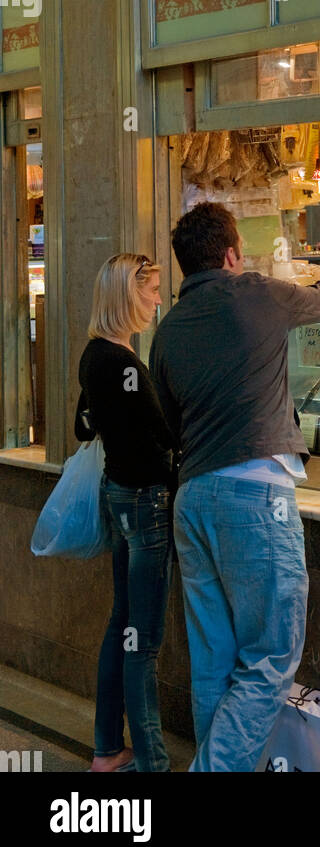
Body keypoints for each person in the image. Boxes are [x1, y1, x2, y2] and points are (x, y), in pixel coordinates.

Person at [148, 202, 320, 773]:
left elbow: (167, 425)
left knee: (214, 659)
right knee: (271, 658)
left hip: (192, 500)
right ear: (230, 253)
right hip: (254, 496)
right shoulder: (258, 293)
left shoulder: (167, 330)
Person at [74, 253, 174, 774]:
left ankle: (106, 748)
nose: (158, 298)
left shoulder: (94, 356)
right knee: (143, 640)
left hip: (117, 496)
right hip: (144, 501)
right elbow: (161, 435)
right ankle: (153, 763)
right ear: (124, 296)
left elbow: (82, 426)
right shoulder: (126, 363)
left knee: (121, 626)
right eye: (150, 290)